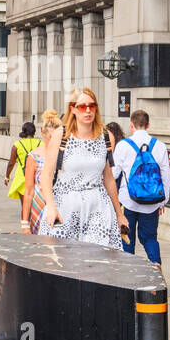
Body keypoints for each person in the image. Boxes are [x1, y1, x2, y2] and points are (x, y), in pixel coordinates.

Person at [38, 88, 129, 248]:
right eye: (82, 106)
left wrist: (119, 214)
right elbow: (46, 176)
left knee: (97, 260)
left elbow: (109, 179)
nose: (88, 110)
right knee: (63, 260)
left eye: (92, 106)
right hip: (65, 205)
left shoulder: (107, 137)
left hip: (98, 207)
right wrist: (51, 207)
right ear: (72, 109)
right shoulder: (61, 135)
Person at [113, 110, 170, 269]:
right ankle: (155, 263)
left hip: (128, 201)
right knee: (150, 238)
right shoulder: (159, 146)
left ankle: (128, 273)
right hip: (151, 202)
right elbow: (166, 176)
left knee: (127, 238)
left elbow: (114, 174)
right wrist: (162, 201)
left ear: (131, 125)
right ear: (148, 125)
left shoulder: (123, 145)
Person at [21, 108, 60, 233]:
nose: (54, 141)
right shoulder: (34, 156)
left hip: (61, 204)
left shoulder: (65, 155)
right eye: (50, 137)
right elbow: (28, 191)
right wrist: (25, 223)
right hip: (39, 206)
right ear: (43, 135)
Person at [5, 122, 40, 212]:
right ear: (34, 132)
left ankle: (26, 224)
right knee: (37, 208)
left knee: (25, 207)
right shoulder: (40, 143)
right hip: (37, 178)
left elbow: (11, 163)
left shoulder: (17, 145)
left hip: (22, 178)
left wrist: (7, 176)